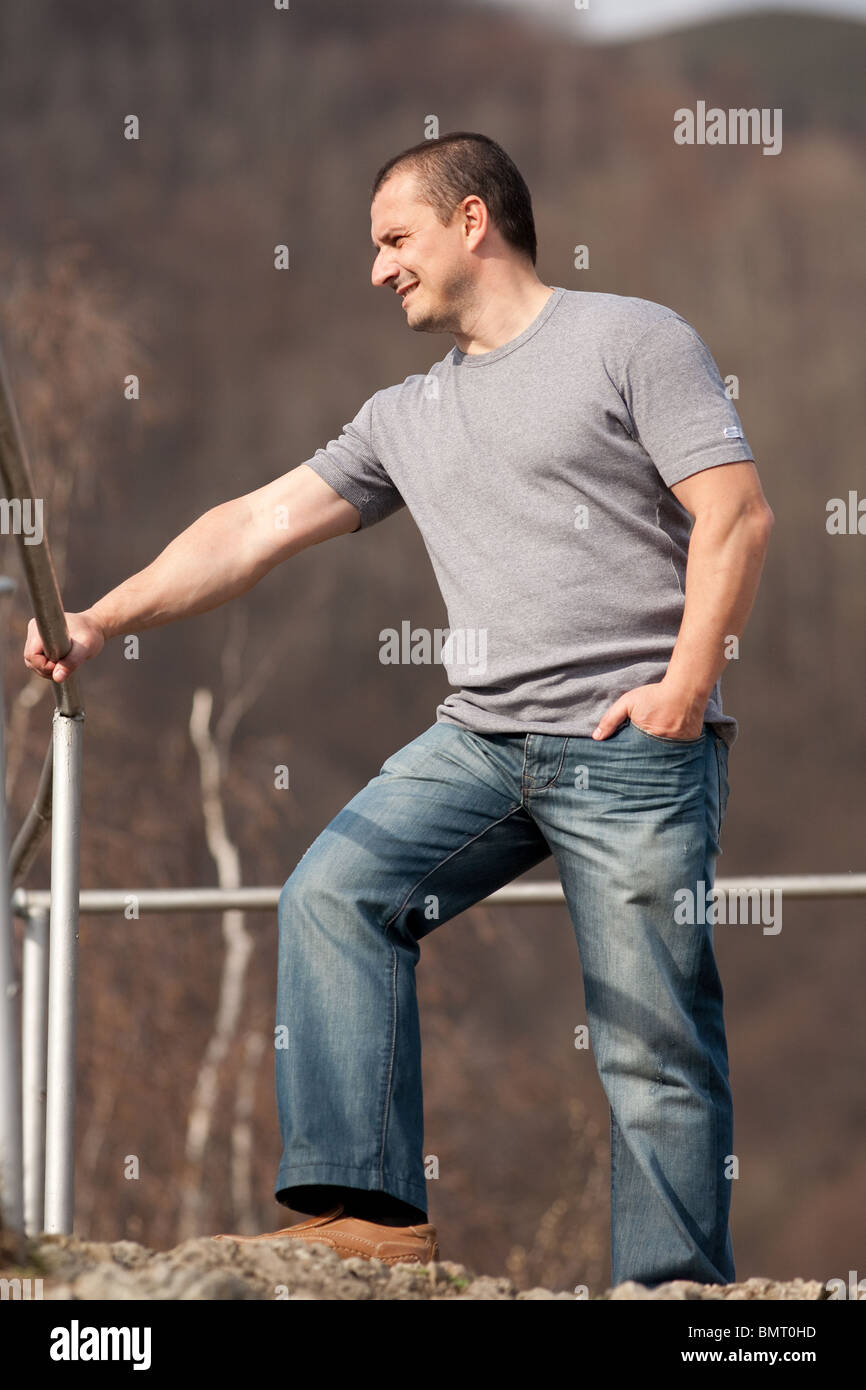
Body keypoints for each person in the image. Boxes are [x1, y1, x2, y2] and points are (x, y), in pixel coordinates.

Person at [25, 131, 773, 1287]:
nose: (378, 270)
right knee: (333, 892)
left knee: (649, 1040)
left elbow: (735, 515)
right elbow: (255, 524)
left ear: (473, 220)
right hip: (477, 741)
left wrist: (681, 687)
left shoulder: (631, 338)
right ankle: (366, 1211)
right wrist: (102, 619)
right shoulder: (401, 415)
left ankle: (670, 1291)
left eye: (393, 239)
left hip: (626, 742)